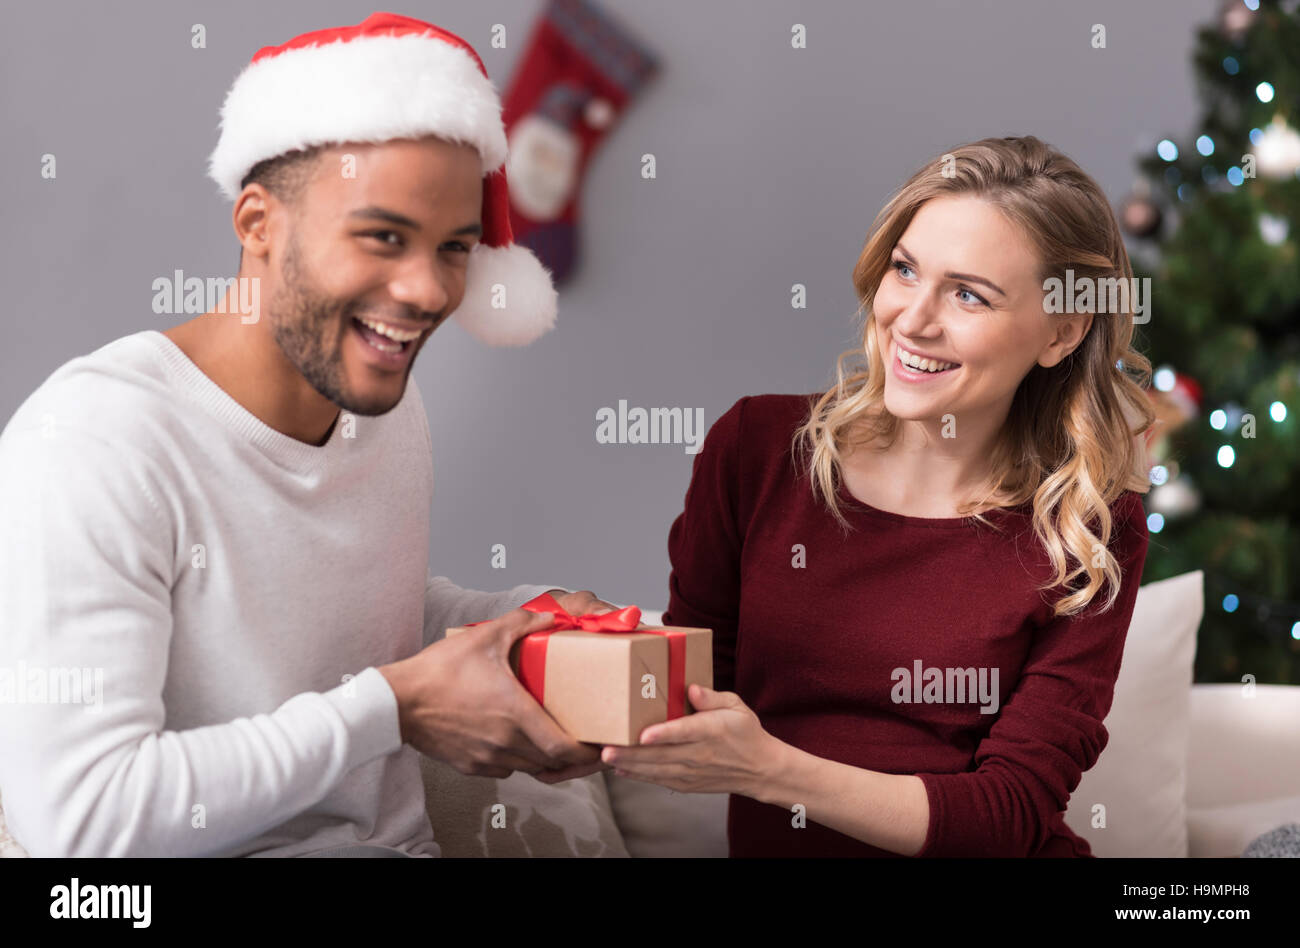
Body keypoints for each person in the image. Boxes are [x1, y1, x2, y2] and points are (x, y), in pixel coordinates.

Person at [0, 13, 615, 858]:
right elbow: (83, 825)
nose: (428, 289)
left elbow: (341, 617)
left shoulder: (384, 411)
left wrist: (515, 623)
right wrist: (391, 708)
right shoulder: (93, 443)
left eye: (454, 248)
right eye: (383, 237)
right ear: (258, 223)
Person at [603, 136, 1157, 857]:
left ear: (1061, 332)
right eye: (905, 270)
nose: (912, 318)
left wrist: (772, 770)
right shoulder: (758, 450)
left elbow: (1010, 815)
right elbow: (690, 698)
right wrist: (563, 656)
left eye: (968, 294)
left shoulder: (1091, 526)